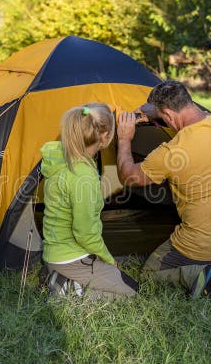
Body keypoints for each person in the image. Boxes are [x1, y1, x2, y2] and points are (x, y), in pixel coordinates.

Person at [116, 80, 211, 298]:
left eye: (164, 118)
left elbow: (127, 176)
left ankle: (198, 273)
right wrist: (156, 112)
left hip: (205, 244)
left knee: (150, 272)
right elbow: (186, 116)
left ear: (169, 115)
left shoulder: (173, 153)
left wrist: (125, 138)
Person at [40, 103, 139, 300]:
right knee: (130, 291)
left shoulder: (60, 158)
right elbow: (84, 233)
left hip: (54, 253)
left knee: (122, 280)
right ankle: (67, 287)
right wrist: (108, 259)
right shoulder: (83, 176)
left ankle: (60, 277)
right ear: (104, 137)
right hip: (71, 258)